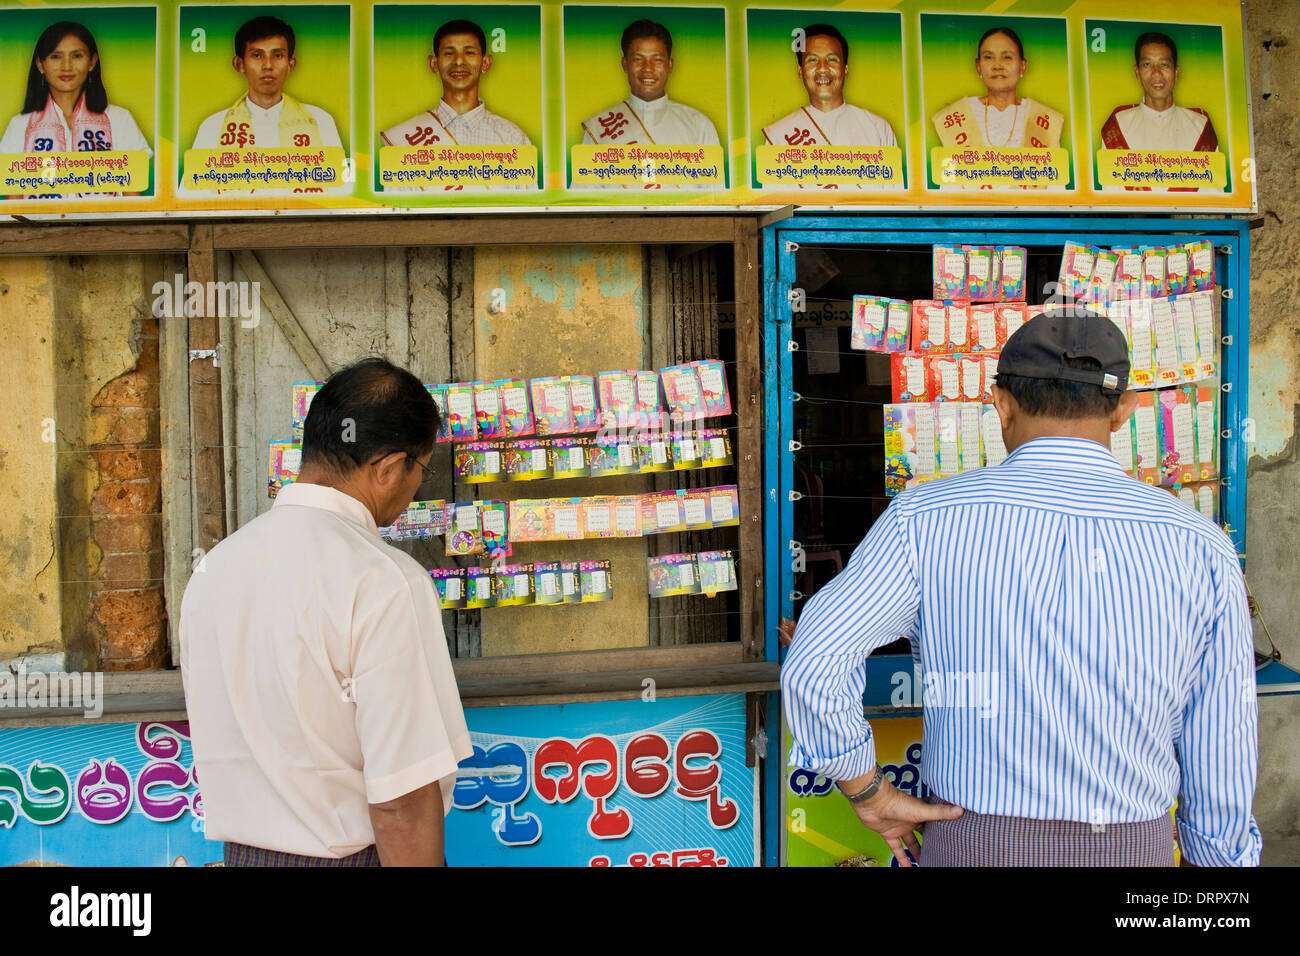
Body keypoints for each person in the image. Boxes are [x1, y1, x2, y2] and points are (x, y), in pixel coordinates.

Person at [781, 310, 1261, 867]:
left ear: (1001, 403)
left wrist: (870, 794)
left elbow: (814, 660)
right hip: (1134, 848)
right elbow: (1222, 732)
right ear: (1125, 412)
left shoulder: (926, 519)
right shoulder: (1198, 543)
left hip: (975, 842)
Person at [181, 358, 471, 866]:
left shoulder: (214, 570)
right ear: (386, 468)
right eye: (420, 470)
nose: (414, 490)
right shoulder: (383, 580)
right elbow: (401, 801)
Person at [1, 22, 151, 198]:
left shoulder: (119, 119)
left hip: (107, 225)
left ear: (92, 62)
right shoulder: (21, 125)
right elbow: (14, 202)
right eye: (55, 56)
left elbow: (132, 198)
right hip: (40, 225)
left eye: (77, 56)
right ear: (40, 65)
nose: (66, 66)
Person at [190, 16, 342, 151]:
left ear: (291, 64)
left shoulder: (319, 121)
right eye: (257, 55)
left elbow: (341, 182)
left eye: (277, 55)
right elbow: (195, 182)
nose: (268, 65)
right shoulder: (214, 127)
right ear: (239, 64)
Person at [381, 19, 529, 149]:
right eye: (449, 53)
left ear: (485, 63)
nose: (458, 61)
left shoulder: (512, 138)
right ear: (434, 63)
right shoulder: (405, 138)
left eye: (469, 53)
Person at [579, 19, 720, 151]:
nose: (647, 68)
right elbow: (585, 177)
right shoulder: (600, 129)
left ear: (670, 66)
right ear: (625, 64)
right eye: (638, 59)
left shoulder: (699, 126)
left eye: (657, 60)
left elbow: (714, 177)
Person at [761, 23, 896, 148]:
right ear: (800, 71)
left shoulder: (877, 128)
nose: (823, 68)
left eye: (832, 59)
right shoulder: (779, 136)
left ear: (845, 70)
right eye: (812, 60)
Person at [930, 26, 1063, 150]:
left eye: (1007, 57)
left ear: (1022, 66)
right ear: (978, 66)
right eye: (988, 57)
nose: (997, 65)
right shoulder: (955, 116)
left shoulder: (1043, 118)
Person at [1101, 32, 1218, 152]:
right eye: (1147, 64)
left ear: (1176, 72)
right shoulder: (1119, 125)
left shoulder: (1200, 125)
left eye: (1164, 65)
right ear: (1137, 72)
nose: (1156, 73)